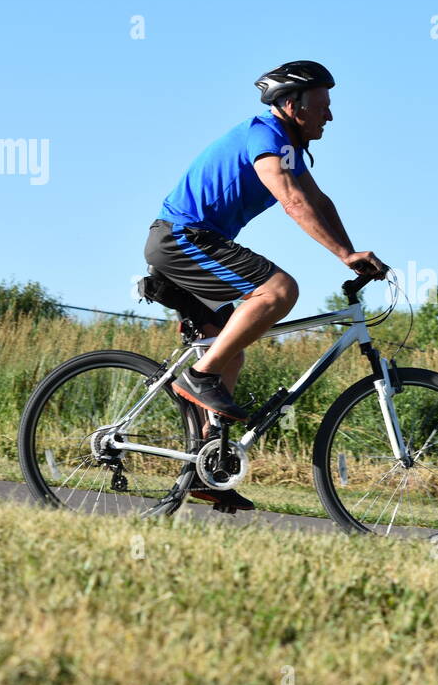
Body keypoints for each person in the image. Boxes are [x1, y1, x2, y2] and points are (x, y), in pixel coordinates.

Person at [143, 60, 388, 508]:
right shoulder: (265, 136)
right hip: (181, 238)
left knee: (230, 349)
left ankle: (204, 469)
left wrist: (350, 254)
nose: (329, 116)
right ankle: (198, 376)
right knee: (278, 291)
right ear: (293, 105)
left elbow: (317, 199)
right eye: (322, 106)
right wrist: (342, 254)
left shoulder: (289, 146)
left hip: (195, 241)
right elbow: (293, 201)